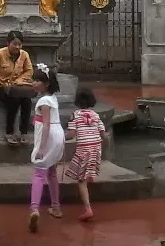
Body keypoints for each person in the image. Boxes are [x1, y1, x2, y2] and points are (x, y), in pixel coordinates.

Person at [28, 63, 66, 233]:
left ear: (46, 84)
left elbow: (46, 124)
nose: (33, 83)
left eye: (37, 80)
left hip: (49, 137)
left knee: (38, 172)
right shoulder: (52, 98)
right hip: (58, 136)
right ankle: (56, 207)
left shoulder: (43, 101)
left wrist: (42, 147)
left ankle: (34, 208)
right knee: (51, 172)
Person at [0, 30, 35, 145]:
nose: (17, 47)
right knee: (14, 100)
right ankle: (9, 132)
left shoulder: (24, 55)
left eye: (19, 44)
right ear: (8, 43)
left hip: (16, 87)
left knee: (27, 100)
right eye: (14, 44)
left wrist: (18, 81)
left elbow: (29, 71)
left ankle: (23, 132)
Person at [64, 87, 108, 222]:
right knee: (88, 168)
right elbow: (103, 134)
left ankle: (88, 208)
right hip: (96, 148)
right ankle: (90, 175)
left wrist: (61, 137)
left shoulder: (75, 115)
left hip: (84, 149)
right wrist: (106, 136)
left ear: (77, 101)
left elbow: (71, 135)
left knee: (81, 180)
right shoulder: (95, 115)